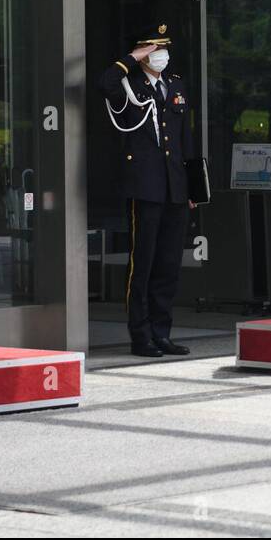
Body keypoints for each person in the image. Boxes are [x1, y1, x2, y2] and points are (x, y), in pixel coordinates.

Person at [100, 23, 197, 357]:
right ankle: (140, 336)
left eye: (164, 48)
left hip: (175, 187)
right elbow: (105, 82)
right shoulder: (128, 84)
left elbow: (186, 141)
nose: (161, 55)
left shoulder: (176, 85)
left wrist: (192, 189)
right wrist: (131, 58)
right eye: (153, 49)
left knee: (168, 264)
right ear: (142, 53)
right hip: (145, 187)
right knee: (142, 263)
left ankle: (162, 332)